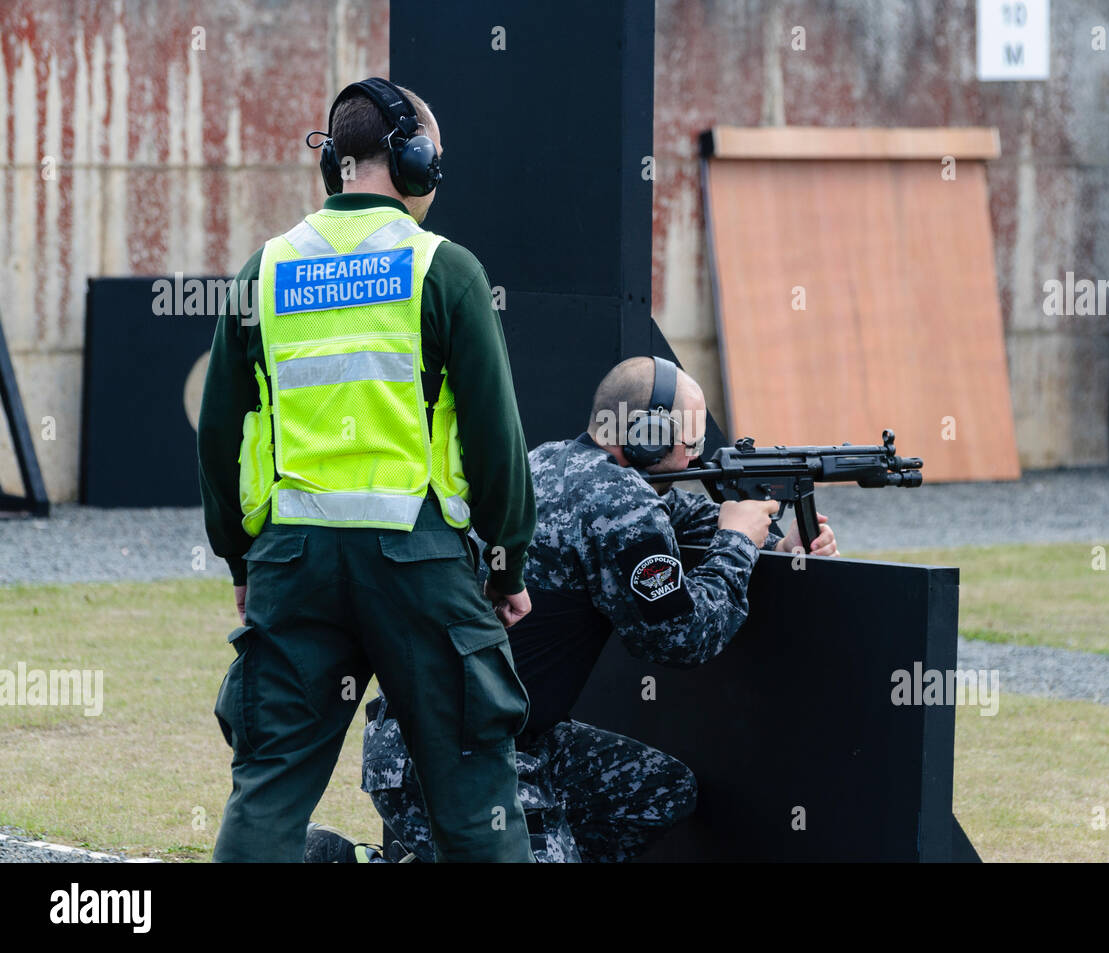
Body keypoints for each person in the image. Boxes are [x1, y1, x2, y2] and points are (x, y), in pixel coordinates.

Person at [198, 77, 535, 862]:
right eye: (435, 159)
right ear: (414, 161)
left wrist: (240, 559)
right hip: (419, 561)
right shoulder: (446, 269)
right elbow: (497, 441)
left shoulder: (262, 271)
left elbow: (219, 436)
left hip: (292, 560)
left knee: (268, 786)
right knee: (474, 791)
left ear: (336, 164)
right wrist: (507, 563)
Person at [345, 356, 837, 862]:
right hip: (457, 761)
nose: (695, 456)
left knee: (658, 791)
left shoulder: (551, 463)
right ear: (646, 436)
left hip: (464, 739)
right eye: (689, 441)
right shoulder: (620, 502)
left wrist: (775, 543)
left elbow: (686, 517)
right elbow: (684, 638)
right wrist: (737, 543)